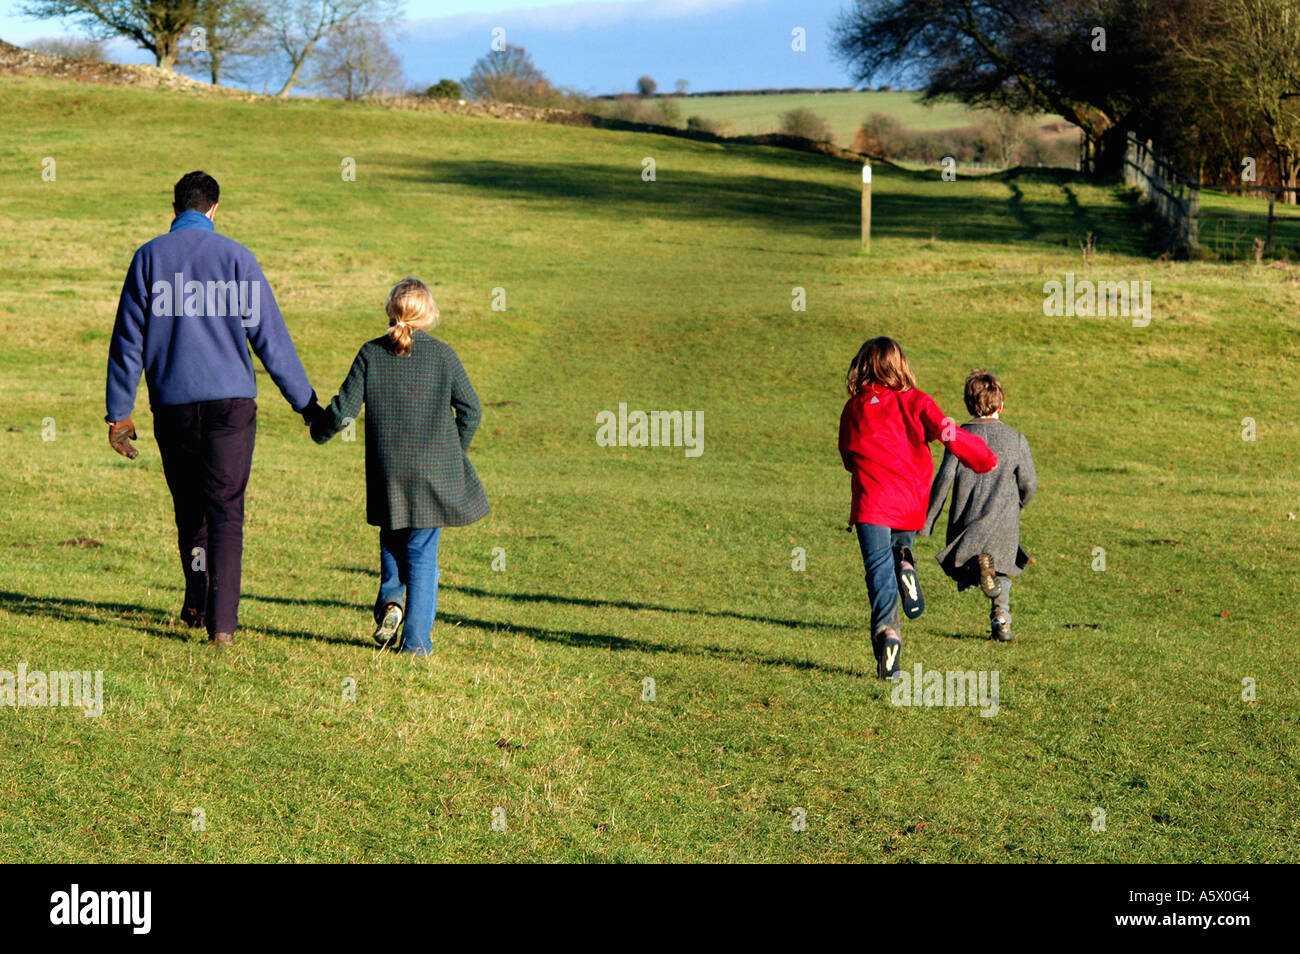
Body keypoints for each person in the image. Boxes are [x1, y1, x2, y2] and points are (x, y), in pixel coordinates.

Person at [105, 171, 320, 647]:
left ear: (175, 208)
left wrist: (119, 413)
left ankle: (197, 599)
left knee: (190, 509)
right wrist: (306, 406)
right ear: (214, 210)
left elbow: (127, 342)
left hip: (173, 405)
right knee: (226, 510)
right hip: (231, 406)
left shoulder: (148, 259)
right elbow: (271, 340)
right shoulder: (238, 258)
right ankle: (221, 625)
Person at [310, 278, 489, 655]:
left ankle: (391, 602)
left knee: (391, 539)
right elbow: (472, 411)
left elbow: (343, 411)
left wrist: (318, 430)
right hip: (433, 474)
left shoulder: (370, 354)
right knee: (423, 554)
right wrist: (453, 454)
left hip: (388, 472)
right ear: (429, 313)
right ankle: (416, 643)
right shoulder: (443, 355)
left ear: (391, 311)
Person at [838, 337, 997, 681]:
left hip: (871, 503)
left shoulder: (854, 408)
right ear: (901, 365)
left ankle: (887, 633)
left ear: (862, 366)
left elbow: (847, 456)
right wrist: (983, 457)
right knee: (897, 552)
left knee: (878, 572)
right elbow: (947, 431)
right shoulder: (916, 401)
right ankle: (906, 559)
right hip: (910, 501)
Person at [923, 369, 1037, 642]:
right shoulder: (1016, 439)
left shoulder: (959, 436)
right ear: (1001, 404)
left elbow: (945, 478)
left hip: (969, 516)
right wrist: (1019, 504)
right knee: (1004, 566)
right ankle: (1001, 619)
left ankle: (983, 573)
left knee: (977, 562)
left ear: (969, 405)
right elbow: (1029, 483)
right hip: (1004, 517)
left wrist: (928, 520)